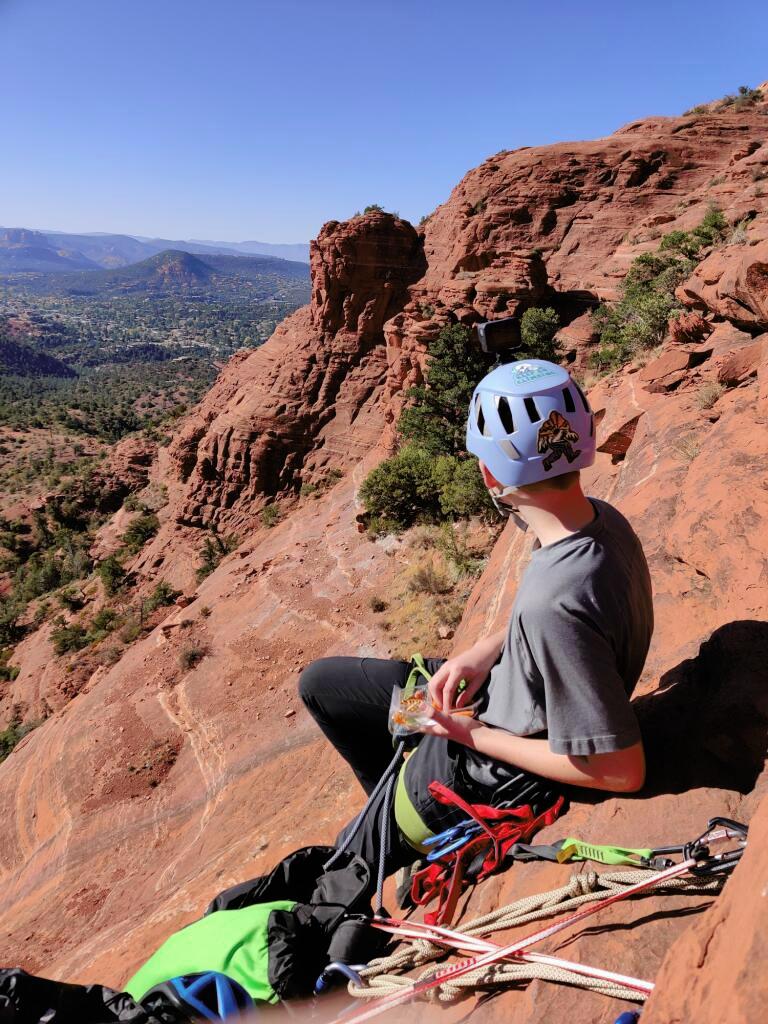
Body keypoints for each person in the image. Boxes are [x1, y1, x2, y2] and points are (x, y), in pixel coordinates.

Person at [299, 357, 653, 878]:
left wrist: (464, 735)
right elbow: (563, 619)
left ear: (491, 472)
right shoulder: (599, 519)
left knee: (343, 855)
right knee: (322, 684)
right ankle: (395, 782)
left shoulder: (552, 601)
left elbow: (622, 771)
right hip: (493, 697)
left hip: (486, 755)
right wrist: (480, 653)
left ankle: (394, 825)